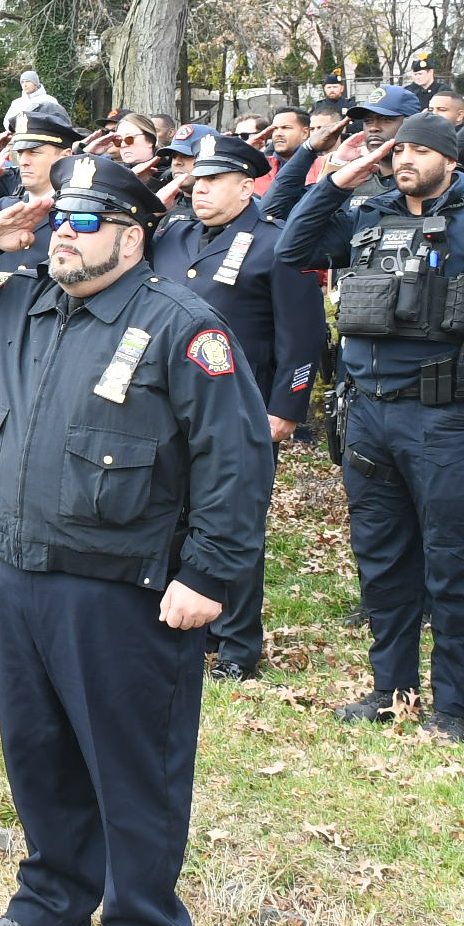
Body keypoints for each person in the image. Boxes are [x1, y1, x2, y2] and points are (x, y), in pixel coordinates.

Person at [0, 155, 273, 926]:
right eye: (57, 224)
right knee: (38, 754)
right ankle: (51, 905)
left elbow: (236, 459)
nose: (63, 240)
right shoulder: (20, 305)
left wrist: (211, 576)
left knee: (132, 768)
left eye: (83, 225)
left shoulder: (186, 326)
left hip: (129, 586)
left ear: (132, 232)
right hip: (26, 569)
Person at [277, 111, 464, 739]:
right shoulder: (369, 217)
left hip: (443, 418)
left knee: (452, 563)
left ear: (451, 160)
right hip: (368, 415)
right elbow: (293, 246)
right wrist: (340, 180)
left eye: (421, 151)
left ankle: (455, 704)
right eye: (398, 150)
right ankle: (390, 689)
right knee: (380, 559)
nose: (405, 160)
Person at [146, 134, 325, 679]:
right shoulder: (173, 236)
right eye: (196, 180)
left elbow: (303, 335)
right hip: (167, 405)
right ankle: (184, 628)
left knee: (231, 524)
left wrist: (287, 406)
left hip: (241, 411)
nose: (200, 191)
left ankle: (236, 646)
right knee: (171, 520)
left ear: (248, 186)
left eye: (214, 181)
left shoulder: (278, 243)